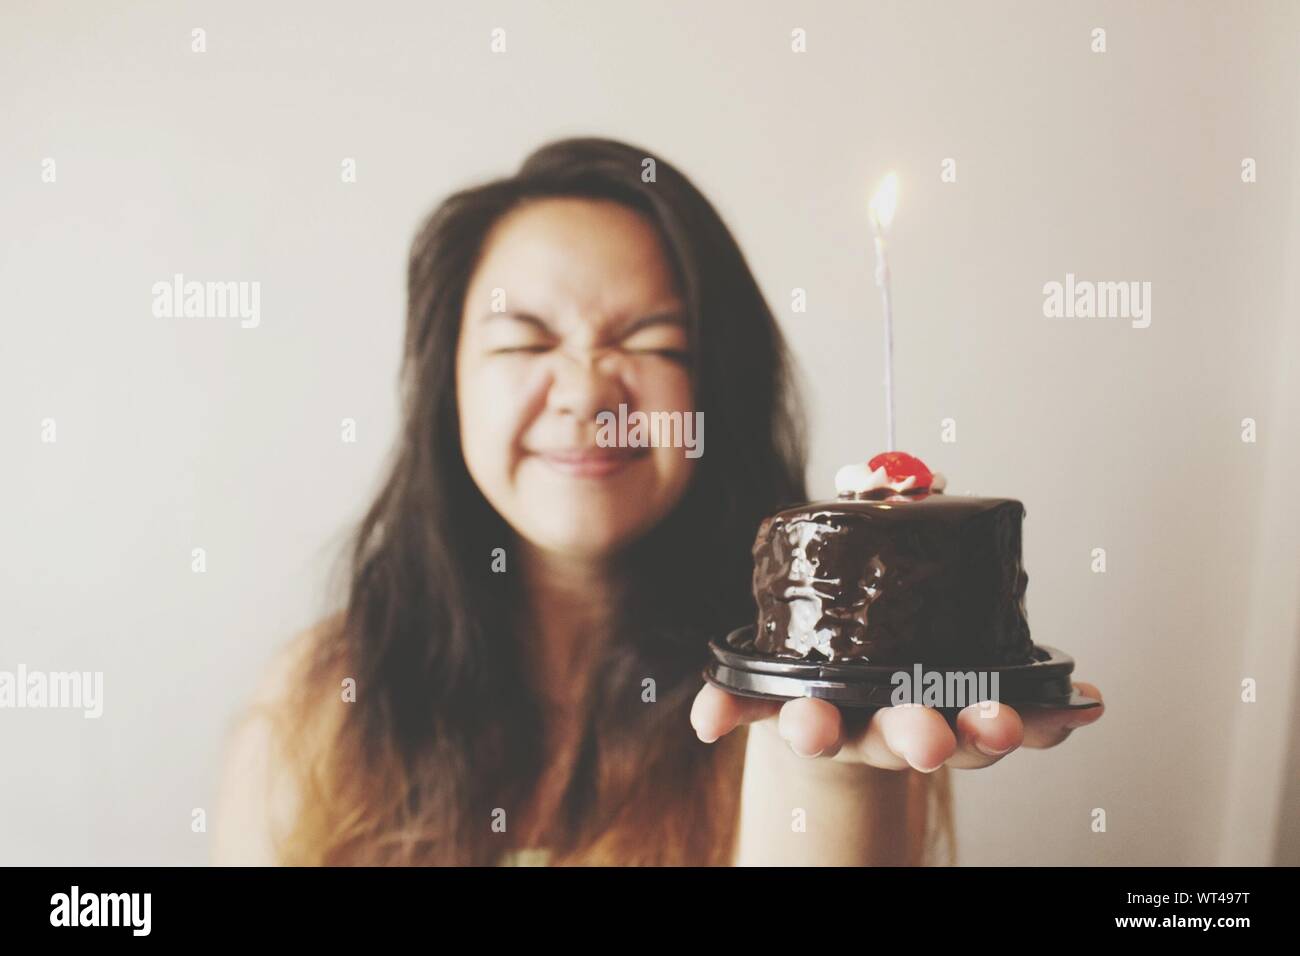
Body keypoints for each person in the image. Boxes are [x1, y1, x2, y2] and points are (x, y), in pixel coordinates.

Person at [212, 137, 1104, 867]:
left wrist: (833, 779)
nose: (587, 393)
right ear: (445, 391)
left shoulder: (817, 694)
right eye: (525, 341)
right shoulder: (318, 700)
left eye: (653, 342)